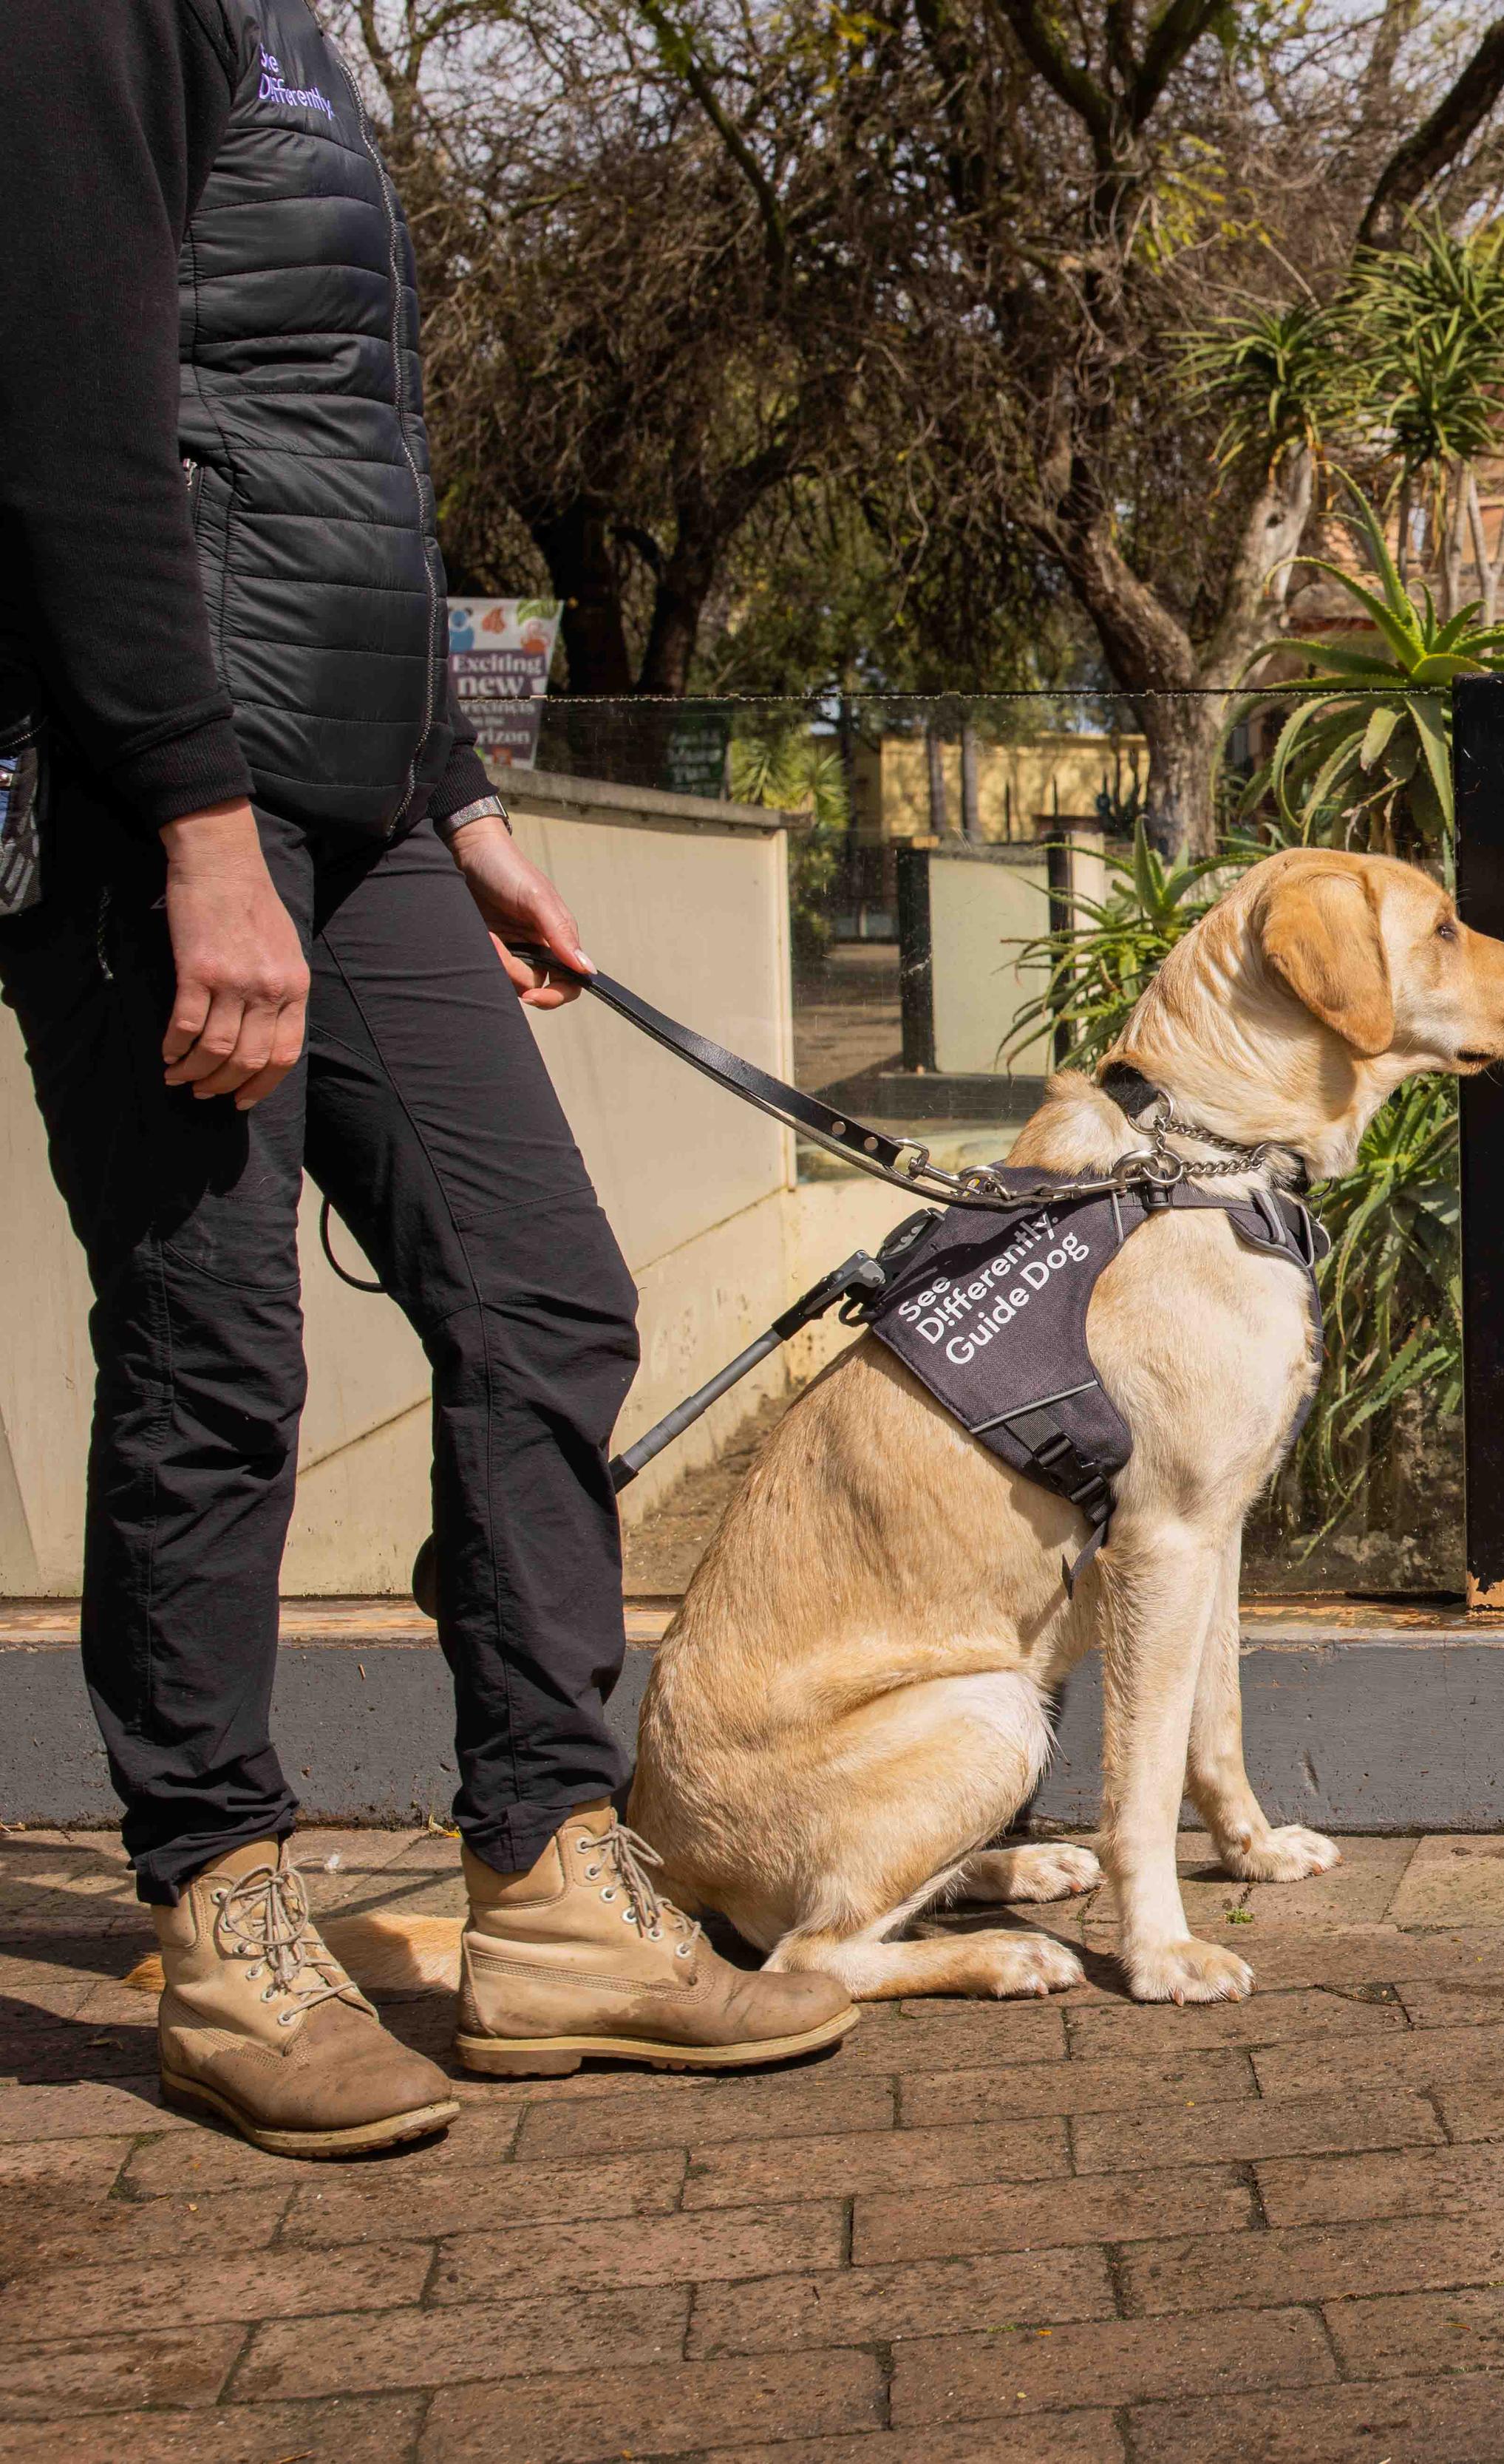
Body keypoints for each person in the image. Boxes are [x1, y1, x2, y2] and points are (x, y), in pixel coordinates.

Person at [0, 0, 851, 2160]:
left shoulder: (278, 28)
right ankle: (219, 1911)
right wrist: (198, 828)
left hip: (357, 801)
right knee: (216, 1359)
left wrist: (456, 802)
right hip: (158, 804)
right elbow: (79, 435)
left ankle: (550, 1876)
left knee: (543, 1292)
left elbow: (331, 452)